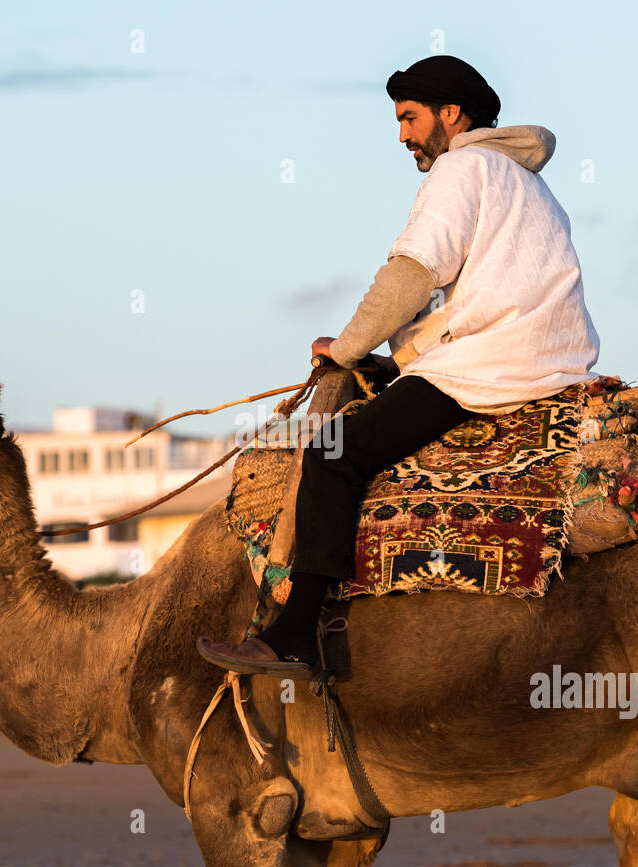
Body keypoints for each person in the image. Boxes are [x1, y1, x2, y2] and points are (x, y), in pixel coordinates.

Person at [198, 55, 600, 676]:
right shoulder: (525, 184)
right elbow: (472, 303)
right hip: (544, 363)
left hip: (490, 370)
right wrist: (397, 362)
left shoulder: (461, 169)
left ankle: (297, 635)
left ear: (450, 114)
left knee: (334, 454)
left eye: (410, 118)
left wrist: (349, 350)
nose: (403, 136)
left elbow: (413, 274)